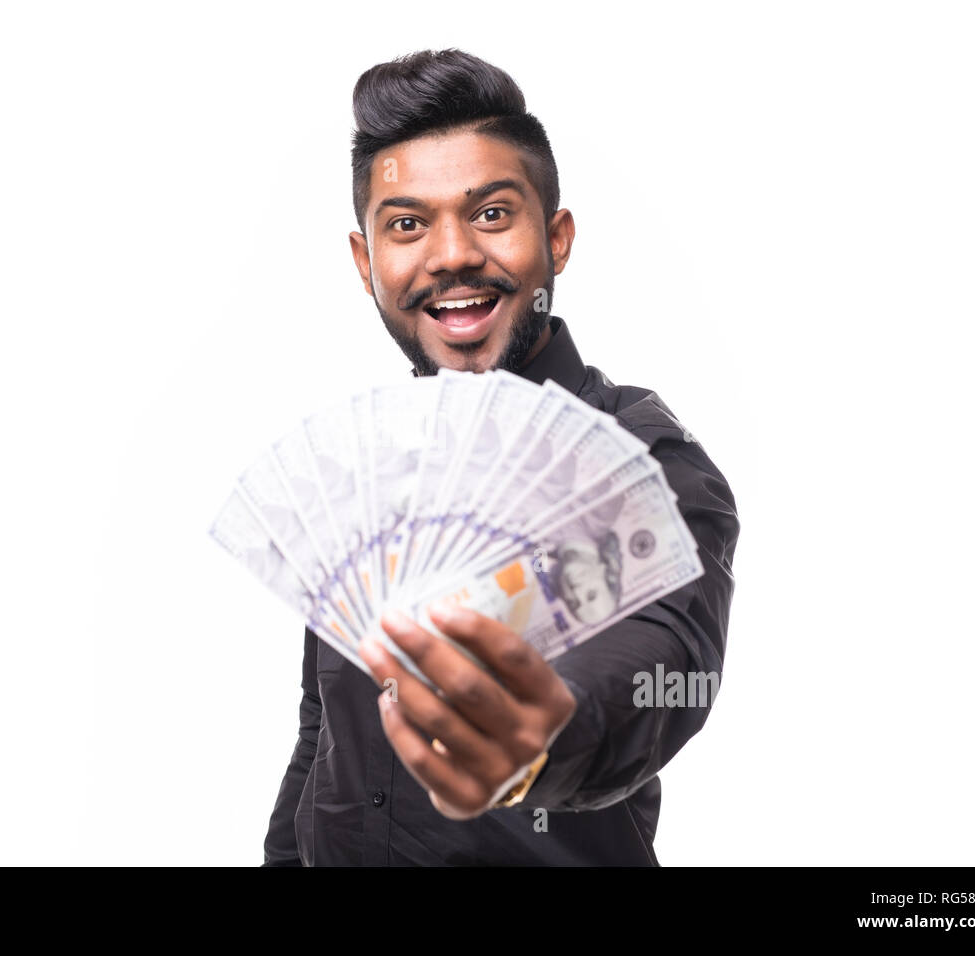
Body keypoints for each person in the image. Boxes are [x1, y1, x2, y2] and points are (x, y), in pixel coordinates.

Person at [263, 48, 740, 865]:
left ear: (555, 238)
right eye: (407, 224)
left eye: (489, 213)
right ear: (365, 261)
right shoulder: (368, 473)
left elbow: (664, 653)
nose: (449, 254)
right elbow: (322, 737)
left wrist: (542, 730)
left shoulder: (637, 459)